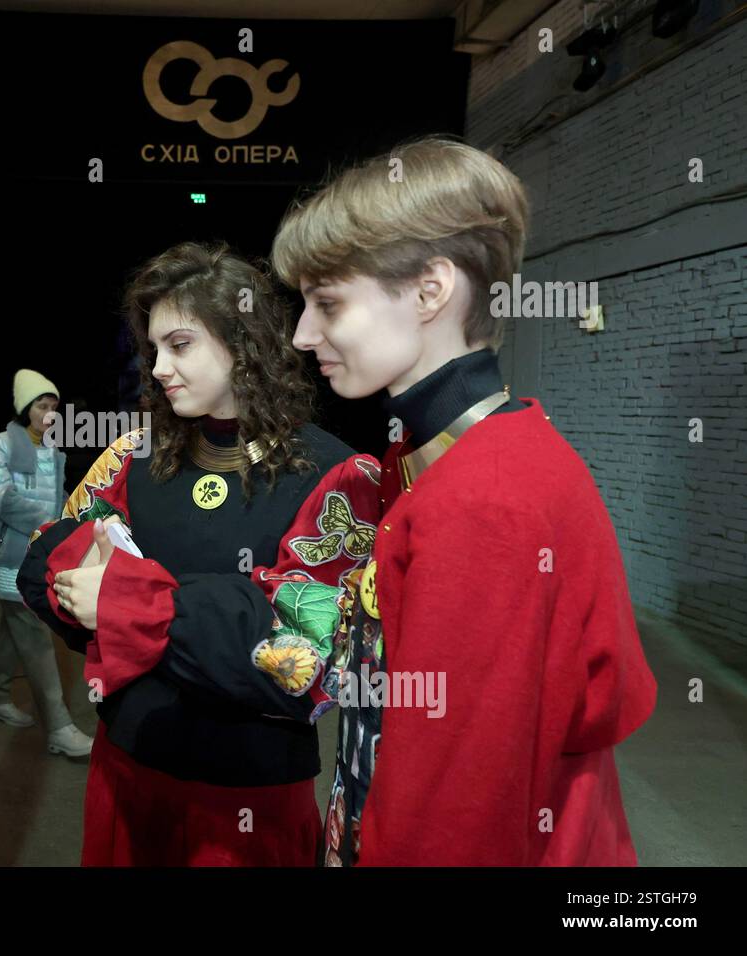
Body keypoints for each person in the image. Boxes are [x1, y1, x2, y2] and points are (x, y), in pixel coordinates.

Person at [270, 136, 657, 865]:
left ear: (429, 290)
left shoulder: (485, 500)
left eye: (327, 304)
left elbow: (456, 815)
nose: (302, 334)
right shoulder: (440, 459)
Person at [17, 242, 381, 866]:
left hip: (245, 805)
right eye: (155, 348)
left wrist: (125, 601)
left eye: (180, 345)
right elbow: (44, 560)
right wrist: (195, 614)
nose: (159, 367)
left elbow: (301, 659)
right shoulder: (133, 454)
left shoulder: (339, 474)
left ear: (243, 345)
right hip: (126, 770)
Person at [0, 369, 93, 757]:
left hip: (38, 556)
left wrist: (67, 530)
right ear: (26, 407)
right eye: (42, 406)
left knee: (17, 628)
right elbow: (1, 497)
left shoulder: (53, 452)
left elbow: (59, 502)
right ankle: (59, 727)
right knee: (36, 634)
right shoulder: (2, 445)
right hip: (8, 557)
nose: (49, 414)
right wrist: (46, 524)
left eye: (54, 407)